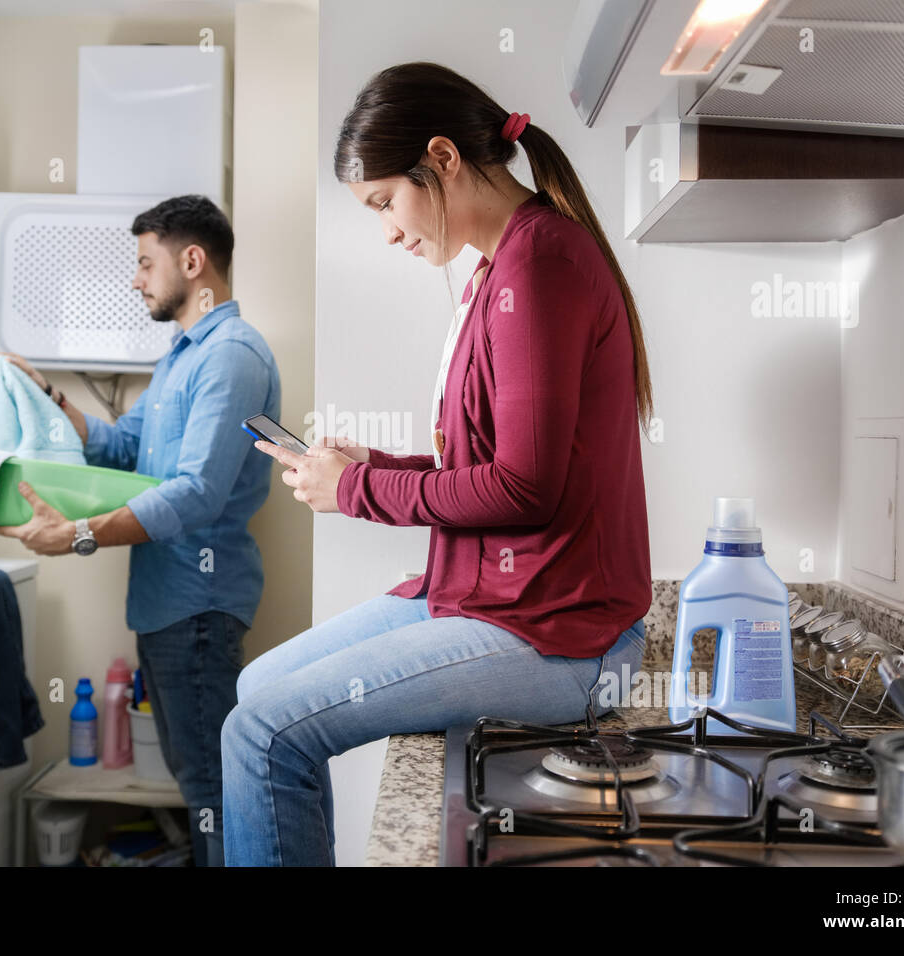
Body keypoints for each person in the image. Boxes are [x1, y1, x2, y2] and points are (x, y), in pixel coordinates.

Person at [220, 62, 654, 866]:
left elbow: (525, 488)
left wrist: (354, 489)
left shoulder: (541, 265)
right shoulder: (499, 270)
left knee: (262, 730)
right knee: (254, 696)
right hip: (489, 598)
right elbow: (494, 461)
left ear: (444, 159)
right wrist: (374, 462)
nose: (386, 230)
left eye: (387, 201)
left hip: (562, 638)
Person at [0, 195, 282, 867]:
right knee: (193, 778)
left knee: (210, 783)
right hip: (164, 607)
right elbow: (125, 445)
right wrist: (51, 398)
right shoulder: (181, 357)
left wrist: (80, 535)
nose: (136, 279)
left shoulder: (232, 356)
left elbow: (198, 493)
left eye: (146, 263)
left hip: (199, 607)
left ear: (192, 260)